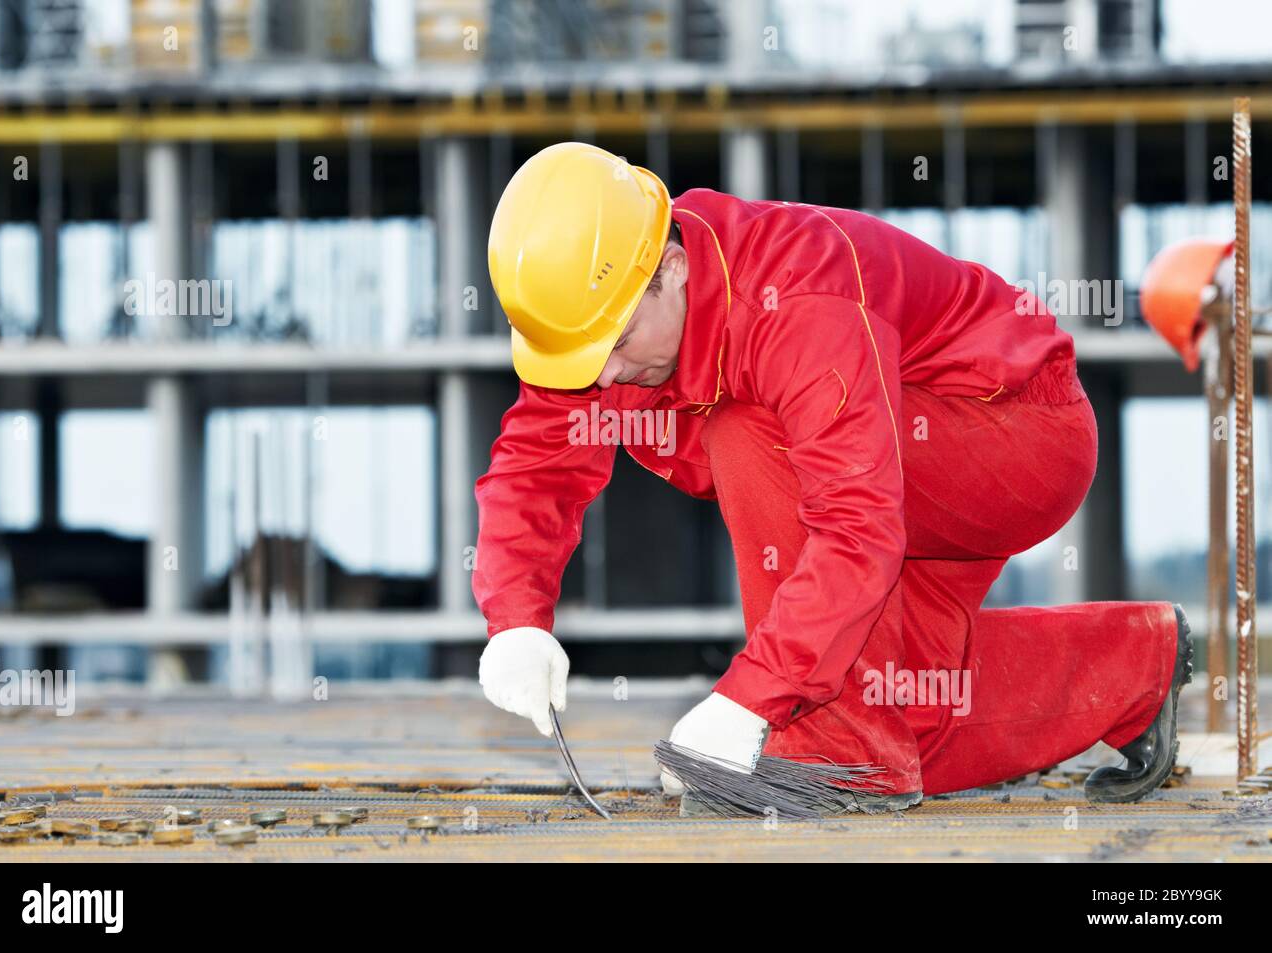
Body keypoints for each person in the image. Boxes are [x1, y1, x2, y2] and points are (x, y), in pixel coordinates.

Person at [473, 140, 1192, 813]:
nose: (604, 376)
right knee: (906, 715)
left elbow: (856, 522)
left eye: (619, 341)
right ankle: (1137, 665)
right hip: (888, 476)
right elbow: (537, 464)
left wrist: (749, 700)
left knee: (747, 423)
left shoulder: (795, 294)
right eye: (581, 359)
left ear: (672, 267)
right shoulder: (594, 323)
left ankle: (837, 745)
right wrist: (515, 623)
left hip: (1017, 433)